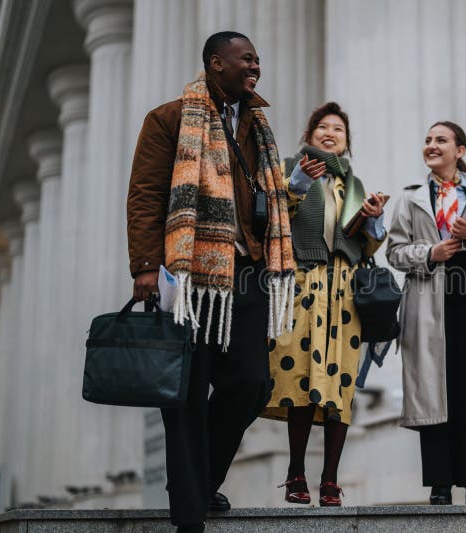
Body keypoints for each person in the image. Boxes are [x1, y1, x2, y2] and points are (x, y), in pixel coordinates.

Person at [126, 32, 295, 533]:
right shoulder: (168, 118)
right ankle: (190, 517)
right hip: (186, 275)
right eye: (247, 59)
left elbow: (271, 195)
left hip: (245, 275)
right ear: (216, 62)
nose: (256, 67)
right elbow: (146, 195)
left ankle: (195, 483)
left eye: (259, 59)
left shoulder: (257, 125)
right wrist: (145, 267)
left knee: (251, 383)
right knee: (185, 394)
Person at [262, 102, 387, 507]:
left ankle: (330, 479)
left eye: (338, 129)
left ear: (346, 141)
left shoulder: (352, 185)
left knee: (341, 386)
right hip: (303, 285)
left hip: (344, 291)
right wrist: (295, 185)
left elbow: (361, 245)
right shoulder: (288, 169)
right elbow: (272, 219)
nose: (330, 133)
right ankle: (296, 472)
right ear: (309, 134)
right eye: (323, 127)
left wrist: (373, 220)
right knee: (300, 376)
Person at [386, 121, 466, 505]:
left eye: (440, 140)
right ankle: (440, 484)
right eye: (427, 139)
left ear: (460, 150)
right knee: (436, 389)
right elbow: (393, 252)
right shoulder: (410, 198)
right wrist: (430, 252)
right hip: (429, 300)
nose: (431, 145)